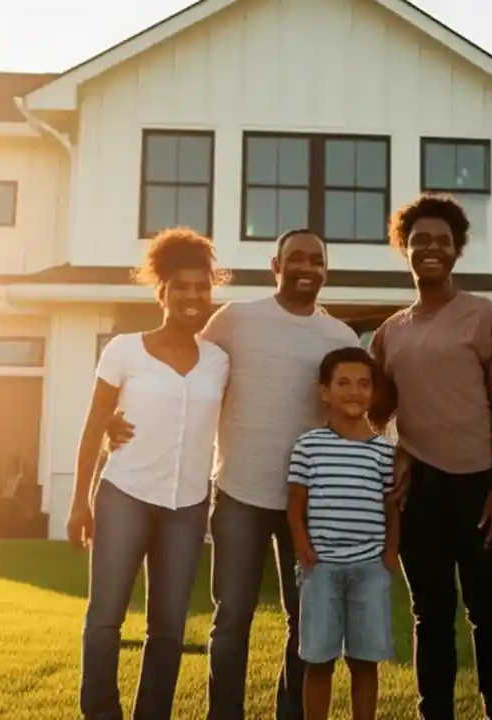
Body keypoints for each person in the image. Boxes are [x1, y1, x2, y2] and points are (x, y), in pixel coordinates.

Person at [107, 229, 360, 720]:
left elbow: (354, 410)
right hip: (239, 493)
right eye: (296, 258)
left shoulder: (341, 337)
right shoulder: (236, 320)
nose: (306, 267)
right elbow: (183, 371)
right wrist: (117, 414)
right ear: (275, 265)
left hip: (307, 502)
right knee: (232, 620)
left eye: (316, 259)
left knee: (304, 621)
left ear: (325, 269)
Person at [67, 227, 231, 720]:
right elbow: (96, 423)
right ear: (161, 290)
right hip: (125, 494)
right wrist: (80, 500)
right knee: (105, 618)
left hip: (186, 506)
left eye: (202, 287)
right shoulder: (125, 350)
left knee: (168, 627)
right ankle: (100, 713)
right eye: (181, 286)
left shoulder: (219, 361)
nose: (193, 296)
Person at [370, 192, 492, 720]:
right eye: (419, 241)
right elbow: (378, 411)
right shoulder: (390, 333)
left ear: (457, 250)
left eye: (442, 240)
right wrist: (401, 452)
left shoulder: (484, 316)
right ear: (404, 250)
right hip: (421, 493)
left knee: (489, 611)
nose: (431, 248)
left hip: (480, 485)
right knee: (429, 613)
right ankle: (434, 711)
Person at [286, 347, 399, 720]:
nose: (355, 392)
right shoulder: (309, 446)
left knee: (365, 661)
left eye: (364, 384)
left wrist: (389, 556)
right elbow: (295, 506)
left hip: (370, 567)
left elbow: (391, 509)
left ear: (374, 393)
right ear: (325, 392)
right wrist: (304, 548)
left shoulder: (384, 452)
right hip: (321, 568)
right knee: (318, 661)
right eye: (344, 383)